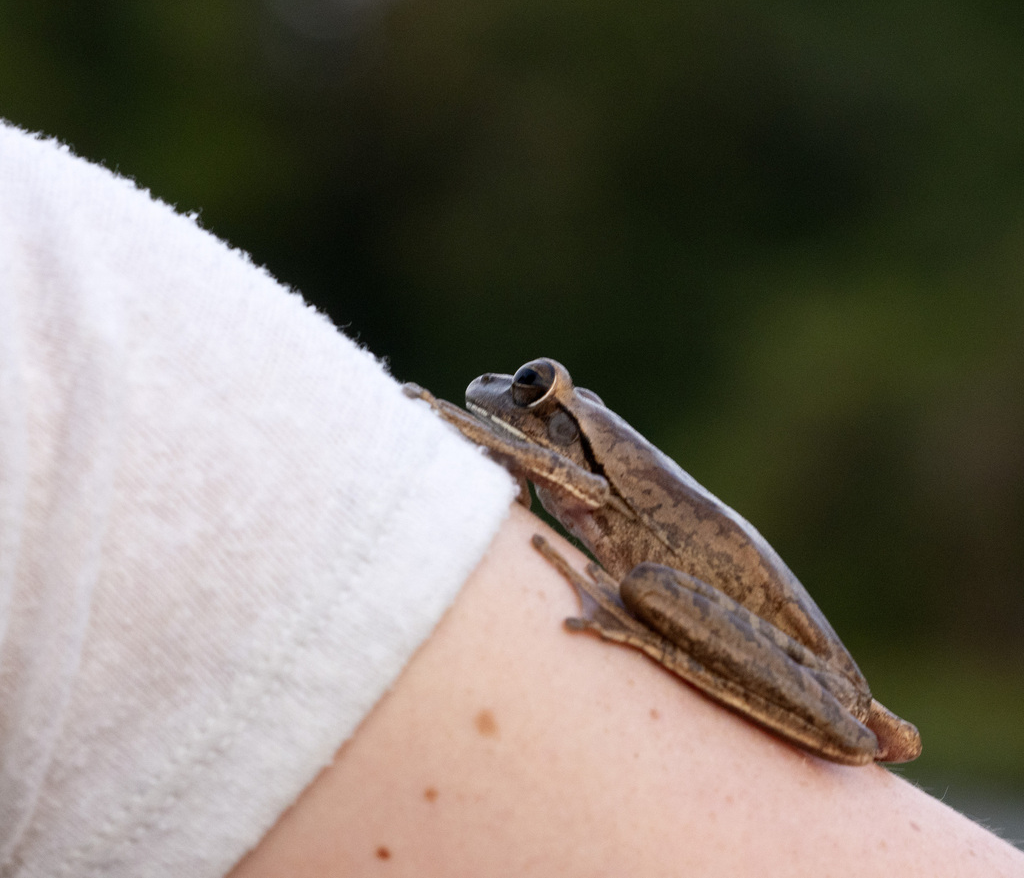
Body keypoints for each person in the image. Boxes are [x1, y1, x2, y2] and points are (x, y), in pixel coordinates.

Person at [0, 122, 1019, 877]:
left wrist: (463, 425)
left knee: (650, 583)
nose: (511, 401)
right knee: (650, 575)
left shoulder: (586, 464)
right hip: (824, 677)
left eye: (530, 392)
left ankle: (650, 632)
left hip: (737, 616)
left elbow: (579, 488)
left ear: (560, 408)